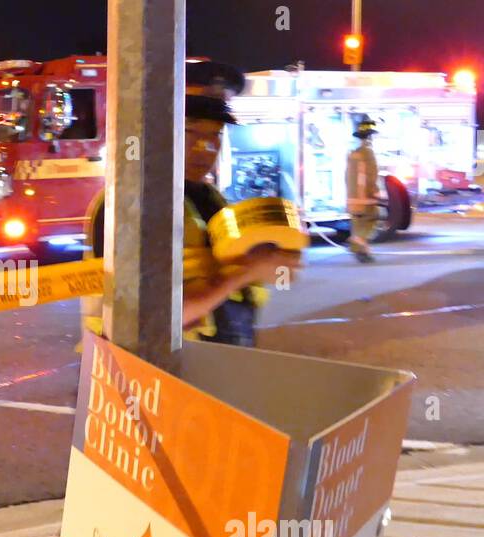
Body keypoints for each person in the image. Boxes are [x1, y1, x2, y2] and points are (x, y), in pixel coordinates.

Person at [83, 60, 301, 348]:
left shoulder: (209, 198)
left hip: (213, 371)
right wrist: (249, 270)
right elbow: (154, 318)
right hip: (153, 379)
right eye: (190, 131)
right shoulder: (131, 203)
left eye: (215, 134)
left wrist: (267, 258)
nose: (206, 148)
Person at [346, 117, 380, 264]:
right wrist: (375, 191)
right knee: (370, 221)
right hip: (366, 198)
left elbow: (347, 176)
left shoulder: (353, 154)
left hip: (352, 198)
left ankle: (362, 252)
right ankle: (356, 242)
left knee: (358, 224)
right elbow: (371, 175)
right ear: (370, 137)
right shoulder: (368, 153)